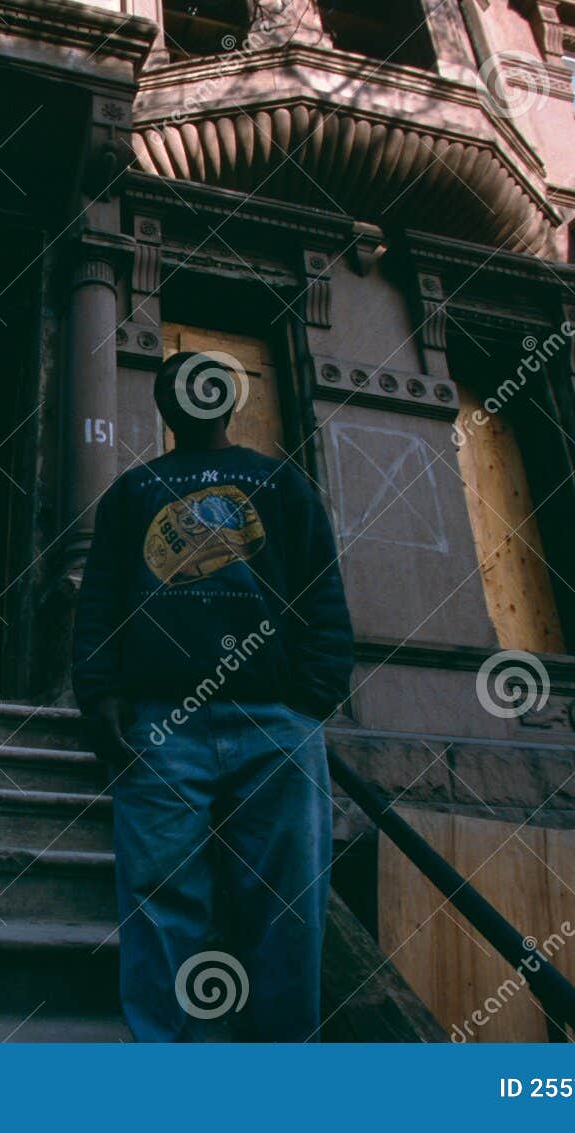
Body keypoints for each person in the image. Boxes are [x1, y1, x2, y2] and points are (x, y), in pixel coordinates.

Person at [72, 349, 355, 1041]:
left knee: (287, 909)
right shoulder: (132, 492)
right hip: (162, 724)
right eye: (175, 382)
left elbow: (322, 593)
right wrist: (100, 692)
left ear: (228, 400)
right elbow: (100, 599)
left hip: (274, 726)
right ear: (163, 404)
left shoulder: (283, 485)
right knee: (163, 906)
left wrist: (309, 698)